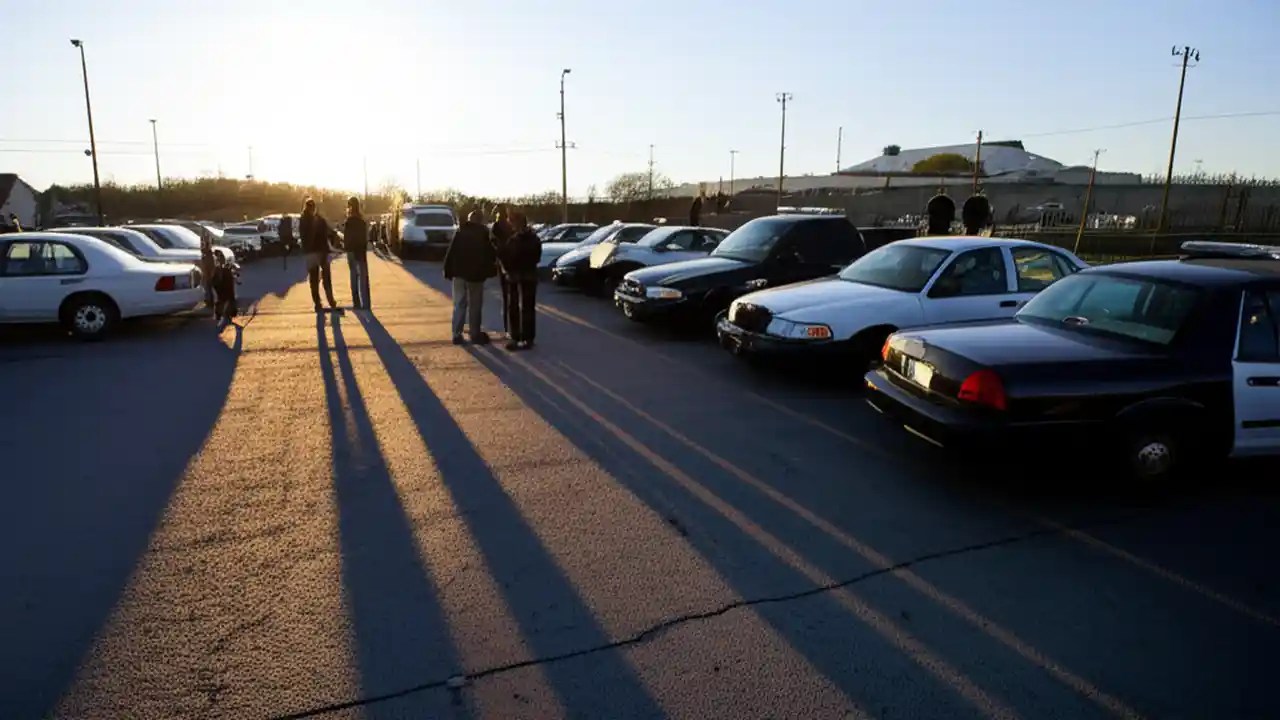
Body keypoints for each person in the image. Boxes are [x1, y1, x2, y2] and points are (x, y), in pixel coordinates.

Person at [443, 210, 497, 345]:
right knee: (475, 305)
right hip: (476, 275)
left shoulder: (460, 231)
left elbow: (451, 251)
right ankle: (474, 333)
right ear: (480, 220)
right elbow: (489, 254)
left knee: (459, 304)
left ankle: (456, 334)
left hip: (459, 274)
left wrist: (447, 269)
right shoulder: (483, 233)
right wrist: (491, 271)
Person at [499, 211, 541, 351]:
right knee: (527, 307)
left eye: (512, 222)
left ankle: (516, 338)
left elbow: (507, 257)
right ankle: (528, 338)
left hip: (516, 277)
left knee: (515, 308)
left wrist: (507, 268)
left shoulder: (514, 240)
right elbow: (537, 257)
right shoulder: (534, 238)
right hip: (529, 275)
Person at [299, 197, 338, 312]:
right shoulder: (319, 219)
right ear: (314, 208)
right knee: (326, 277)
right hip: (322, 251)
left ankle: (317, 303)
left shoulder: (303, 219)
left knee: (314, 279)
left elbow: (303, 236)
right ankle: (331, 301)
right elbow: (328, 232)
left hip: (310, 252)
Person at [343, 197, 371, 310]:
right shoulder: (362, 221)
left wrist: (346, 247)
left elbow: (346, 238)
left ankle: (356, 302)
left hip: (351, 251)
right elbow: (365, 238)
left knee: (354, 277)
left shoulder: (348, 222)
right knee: (363, 278)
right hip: (360, 251)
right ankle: (366, 303)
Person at [490, 205, 515, 333]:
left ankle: (507, 327)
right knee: (512, 296)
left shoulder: (496, 226)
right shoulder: (510, 225)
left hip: (502, 260)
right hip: (512, 261)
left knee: (506, 296)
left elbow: (493, 243)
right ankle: (512, 327)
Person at [210, 252, 238, 332]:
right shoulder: (218, 269)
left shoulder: (225, 268)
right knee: (223, 299)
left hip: (225, 285)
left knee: (226, 298)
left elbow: (233, 275)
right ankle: (221, 314)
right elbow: (215, 279)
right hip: (221, 285)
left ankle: (228, 313)